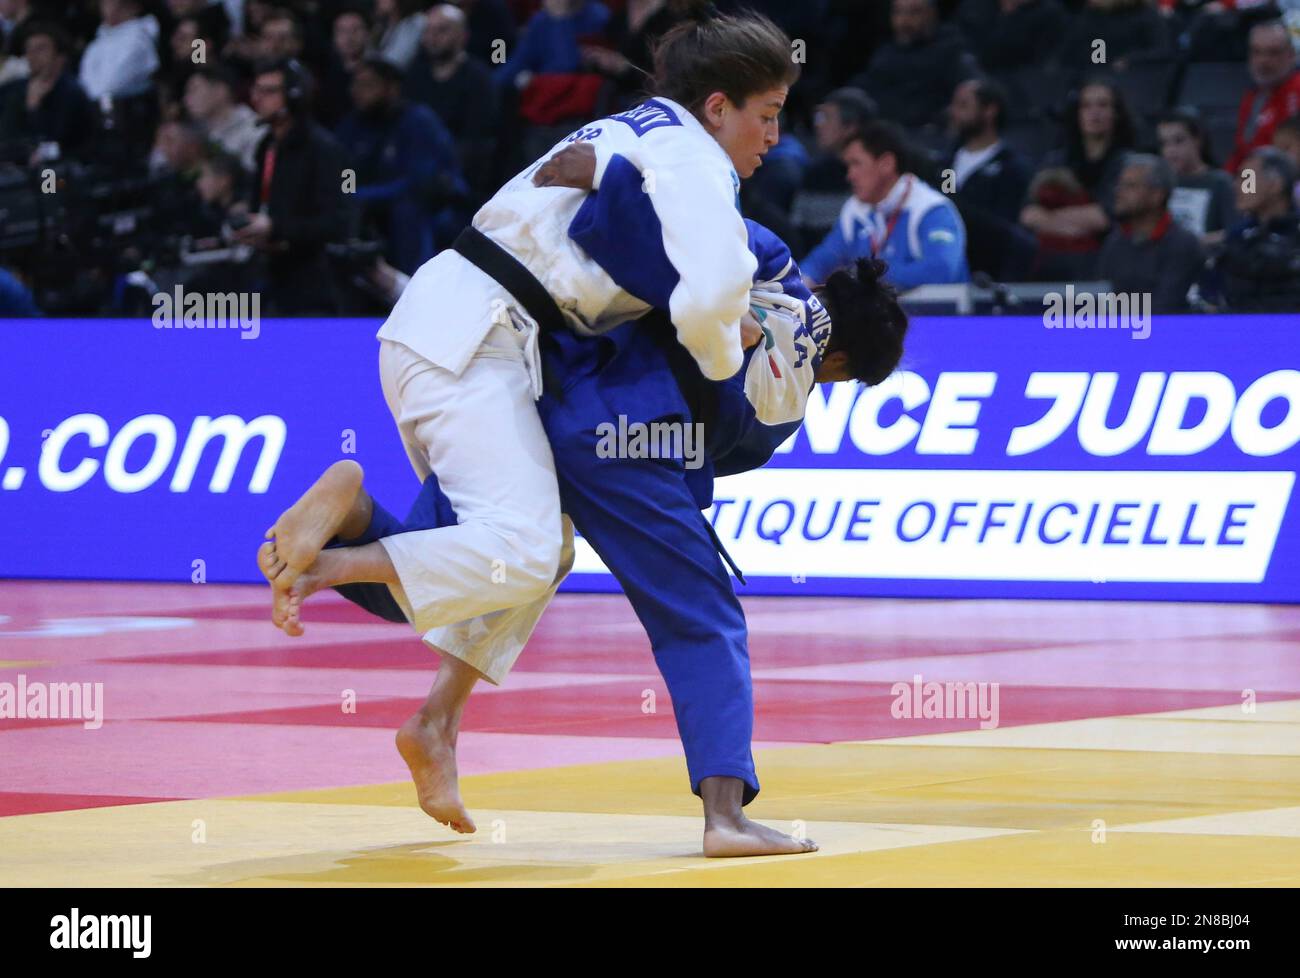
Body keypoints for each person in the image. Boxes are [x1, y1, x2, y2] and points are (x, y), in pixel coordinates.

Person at [263, 152, 908, 854]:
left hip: (538, 384)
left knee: (512, 559)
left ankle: (399, 634)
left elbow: (667, 223)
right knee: (702, 618)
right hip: (626, 442)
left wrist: (605, 169)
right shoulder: (798, 386)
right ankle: (726, 818)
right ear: (843, 368)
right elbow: (715, 450)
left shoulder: (764, 250)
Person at [261, 2, 797, 664]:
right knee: (524, 552)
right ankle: (329, 566)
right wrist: (723, 363)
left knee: (512, 555)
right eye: (767, 114)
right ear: (718, 107)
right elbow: (712, 293)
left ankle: (422, 692)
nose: (774, 136)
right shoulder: (697, 158)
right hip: (479, 344)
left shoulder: (625, 129)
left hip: (435, 325)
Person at [800, 120, 969, 289]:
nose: (849, 176)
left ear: (886, 164)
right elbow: (821, 260)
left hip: (940, 314)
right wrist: (797, 286)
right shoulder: (856, 209)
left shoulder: (932, 210)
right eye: (848, 166)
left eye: (856, 164)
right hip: (883, 312)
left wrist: (864, 277)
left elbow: (941, 272)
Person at [1096, 154, 1205, 313]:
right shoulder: (1115, 241)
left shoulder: (1182, 244)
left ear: (1157, 195)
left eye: (1130, 186)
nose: (1119, 192)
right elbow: (1100, 298)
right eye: (1120, 185)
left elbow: (1165, 309)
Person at [1225, 19, 1300, 174]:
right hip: (1255, 179)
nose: (1263, 61)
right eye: (1256, 52)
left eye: (1273, 52)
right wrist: (1227, 183)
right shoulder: (1252, 98)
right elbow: (1243, 152)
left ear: (1292, 55)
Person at [1158, 108, 1237, 247]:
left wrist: (1193, 243)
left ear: (1197, 140)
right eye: (1164, 143)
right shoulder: (1161, 182)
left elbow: (1234, 232)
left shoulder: (1220, 182)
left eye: (1178, 141)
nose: (1170, 150)